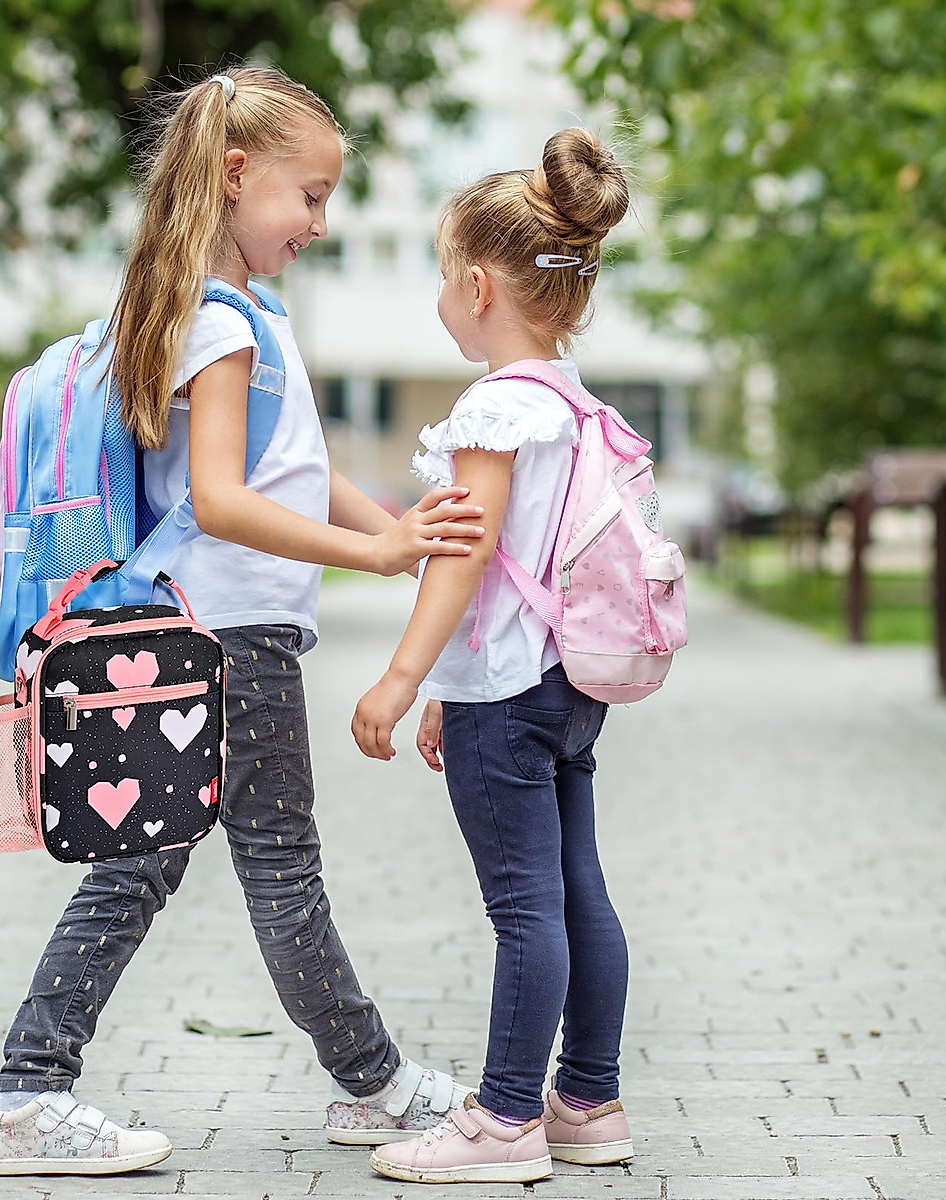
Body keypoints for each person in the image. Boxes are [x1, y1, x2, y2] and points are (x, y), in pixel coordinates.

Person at [0, 66, 483, 1178]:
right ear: (237, 178)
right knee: (265, 867)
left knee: (156, 865)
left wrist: (399, 537)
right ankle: (372, 1086)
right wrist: (372, 554)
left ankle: (32, 1090)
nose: (320, 220)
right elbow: (221, 500)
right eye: (310, 193)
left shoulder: (227, 312)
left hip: (204, 633)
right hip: (228, 639)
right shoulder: (220, 323)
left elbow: (295, 475)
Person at [352, 128, 636, 1185]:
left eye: (437, 274)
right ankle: (589, 1101)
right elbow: (529, 563)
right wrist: (453, 687)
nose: (439, 294)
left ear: (478, 286)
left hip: (506, 701)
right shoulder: (574, 403)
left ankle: (507, 1120)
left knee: (525, 910)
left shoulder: (493, 409)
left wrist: (403, 677)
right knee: (576, 891)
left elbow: (462, 560)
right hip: (565, 684)